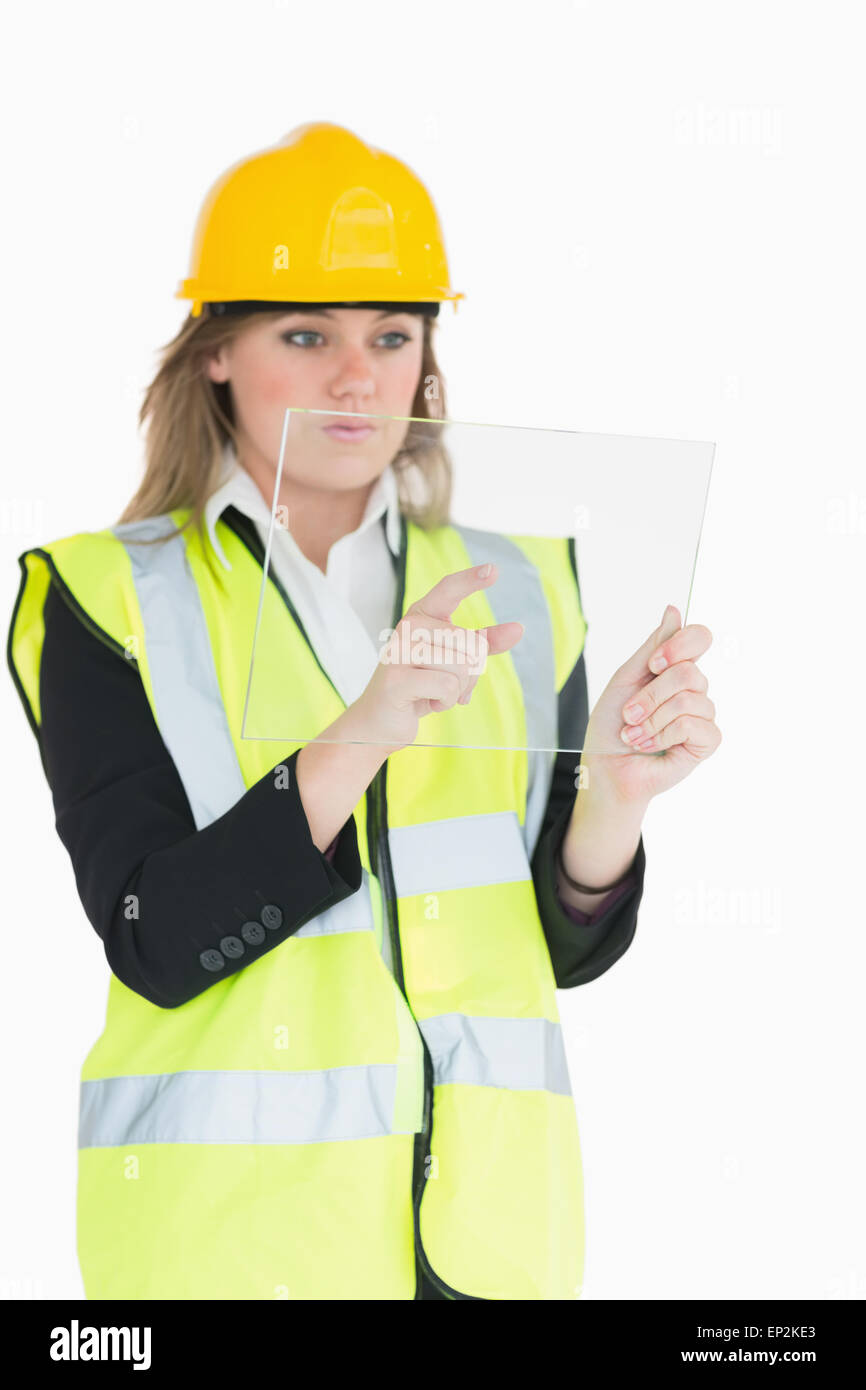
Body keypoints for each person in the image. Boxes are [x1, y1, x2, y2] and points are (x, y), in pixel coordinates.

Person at [7, 121, 721, 1301]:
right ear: (216, 353)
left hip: (489, 1242)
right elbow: (153, 934)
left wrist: (614, 803)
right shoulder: (101, 596)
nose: (357, 377)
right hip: (232, 1253)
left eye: (392, 335)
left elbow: (551, 943)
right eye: (306, 333)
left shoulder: (528, 586)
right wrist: (368, 722)